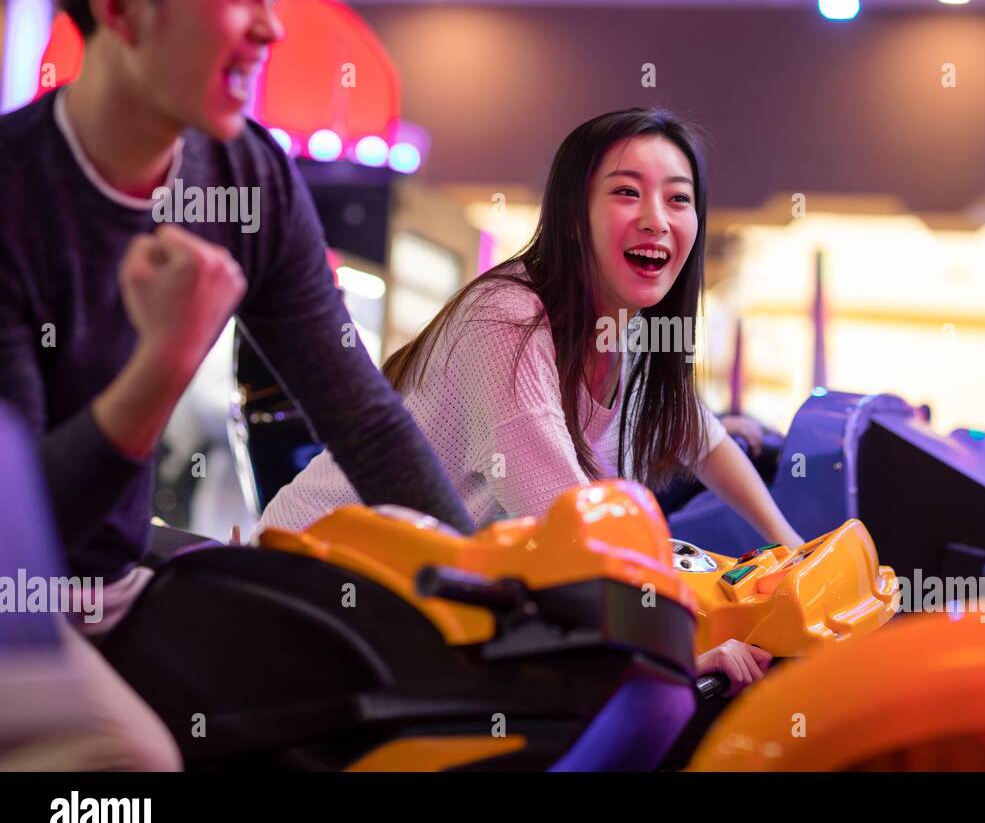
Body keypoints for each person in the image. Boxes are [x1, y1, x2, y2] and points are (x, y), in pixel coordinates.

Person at [0, 0, 473, 764]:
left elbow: (361, 417)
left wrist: (488, 587)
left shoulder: (247, 174)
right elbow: (23, 521)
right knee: (131, 769)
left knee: (343, 681)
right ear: (121, 7)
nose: (271, 26)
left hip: (116, 582)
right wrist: (166, 360)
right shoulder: (14, 195)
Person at [262, 108, 798, 694]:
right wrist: (678, 642)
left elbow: (705, 440)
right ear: (572, 217)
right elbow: (564, 514)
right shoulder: (507, 316)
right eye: (626, 192)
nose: (656, 219)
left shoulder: (635, 334)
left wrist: (792, 548)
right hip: (323, 585)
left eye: (678, 199)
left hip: (433, 600)